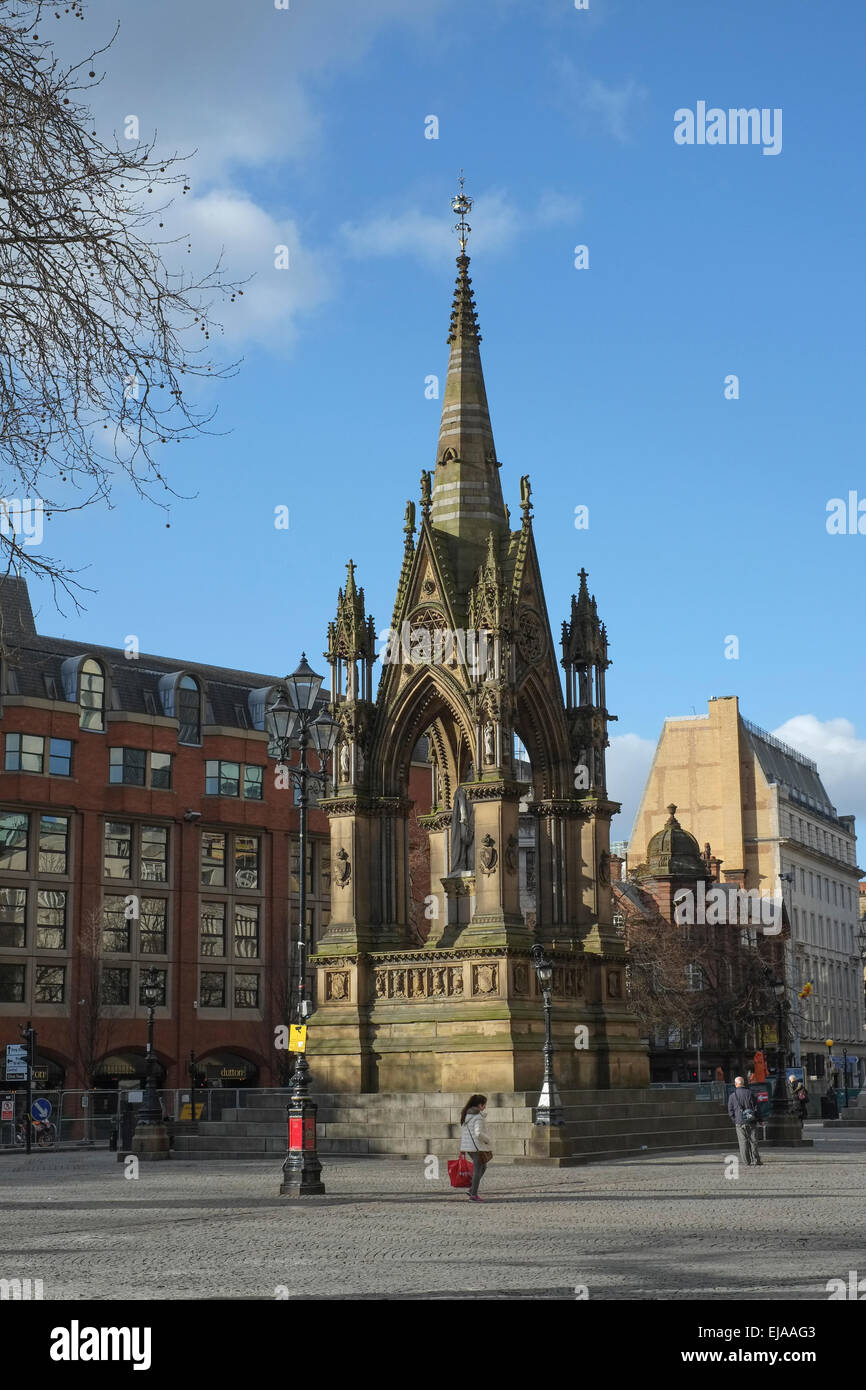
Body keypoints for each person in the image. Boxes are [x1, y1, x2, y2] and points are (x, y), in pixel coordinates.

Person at [459, 1094, 493, 1202]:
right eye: (484, 1104)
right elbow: (478, 1133)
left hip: (469, 1147)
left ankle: (472, 1189)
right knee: (478, 1170)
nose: (485, 1107)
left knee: (483, 1167)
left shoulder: (466, 1115)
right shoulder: (478, 1117)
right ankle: (473, 1195)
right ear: (480, 1105)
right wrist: (487, 1140)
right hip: (477, 1147)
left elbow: (464, 1133)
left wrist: (462, 1149)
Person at [728, 1075, 763, 1167]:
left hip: (739, 1122)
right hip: (751, 1120)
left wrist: (735, 1120)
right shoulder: (750, 1093)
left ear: (736, 1084)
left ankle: (746, 1161)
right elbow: (756, 1108)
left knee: (743, 1142)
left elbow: (730, 1110)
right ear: (743, 1083)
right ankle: (756, 1160)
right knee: (753, 1141)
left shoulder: (732, 1096)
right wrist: (760, 1119)